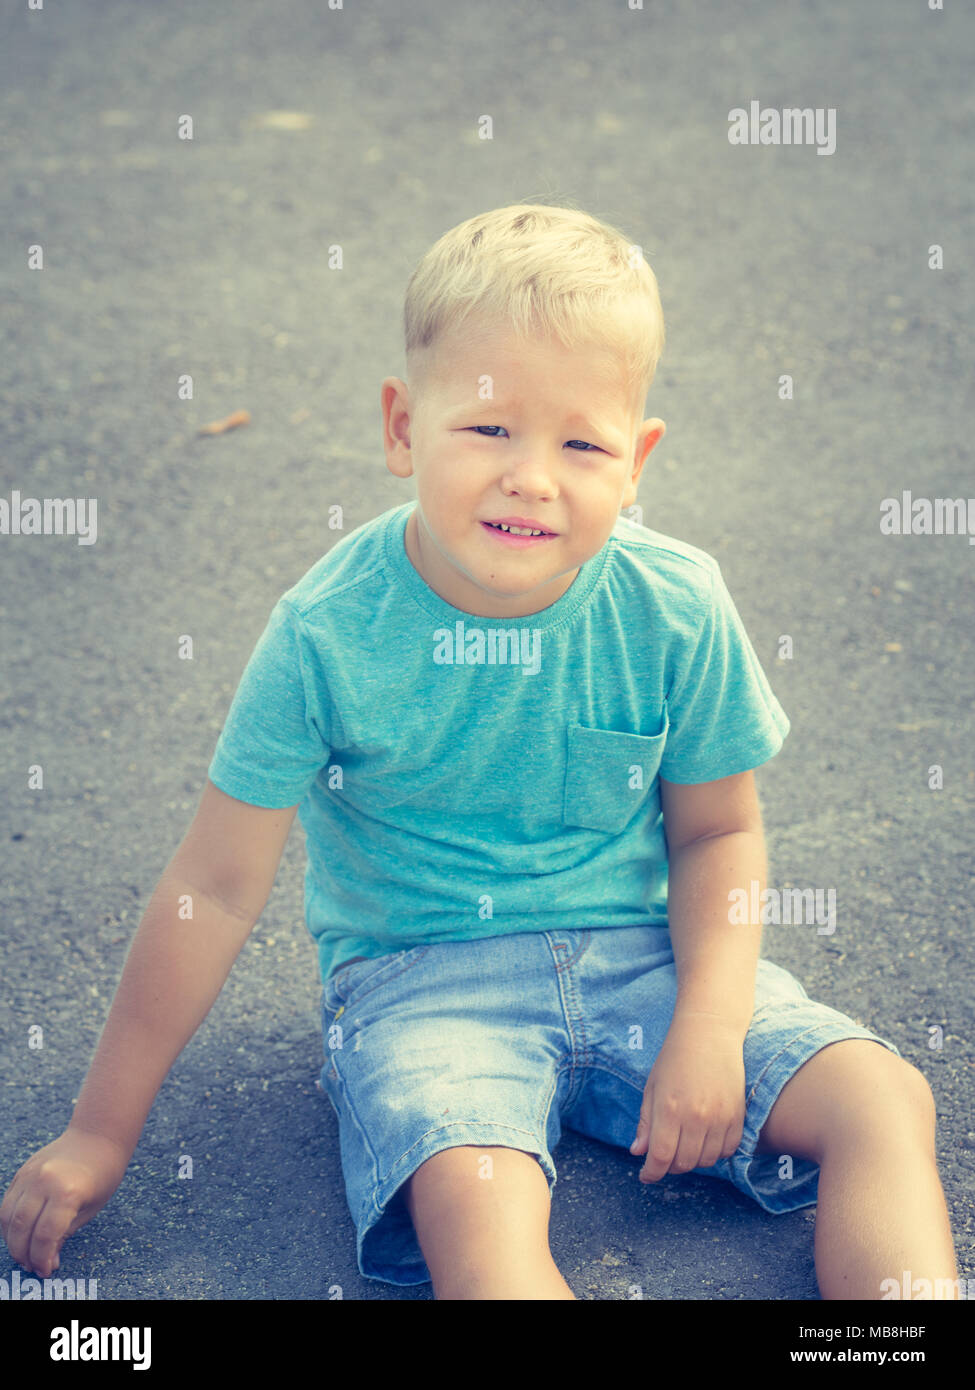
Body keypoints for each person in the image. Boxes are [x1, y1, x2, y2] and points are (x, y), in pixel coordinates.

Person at [1, 203, 958, 1301]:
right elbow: (213, 889)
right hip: (425, 982)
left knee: (885, 1098)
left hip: (646, 955)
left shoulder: (675, 604)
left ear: (637, 460)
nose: (533, 477)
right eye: (491, 429)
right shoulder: (326, 631)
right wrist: (97, 1132)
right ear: (404, 427)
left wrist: (711, 1020)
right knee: (480, 1201)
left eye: (582, 443)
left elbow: (719, 829)